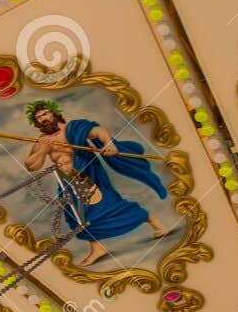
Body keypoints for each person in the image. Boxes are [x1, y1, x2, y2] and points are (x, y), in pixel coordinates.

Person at [21, 98, 169, 266]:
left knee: (105, 208)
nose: (43, 118)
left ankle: (151, 219)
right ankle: (97, 248)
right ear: (36, 122)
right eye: (39, 117)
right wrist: (43, 151)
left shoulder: (73, 128)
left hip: (86, 175)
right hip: (67, 182)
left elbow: (98, 131)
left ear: (54, 113)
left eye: (45, 113)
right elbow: (31, 166)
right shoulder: (42, 141)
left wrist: (108, 142)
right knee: (76, 215)